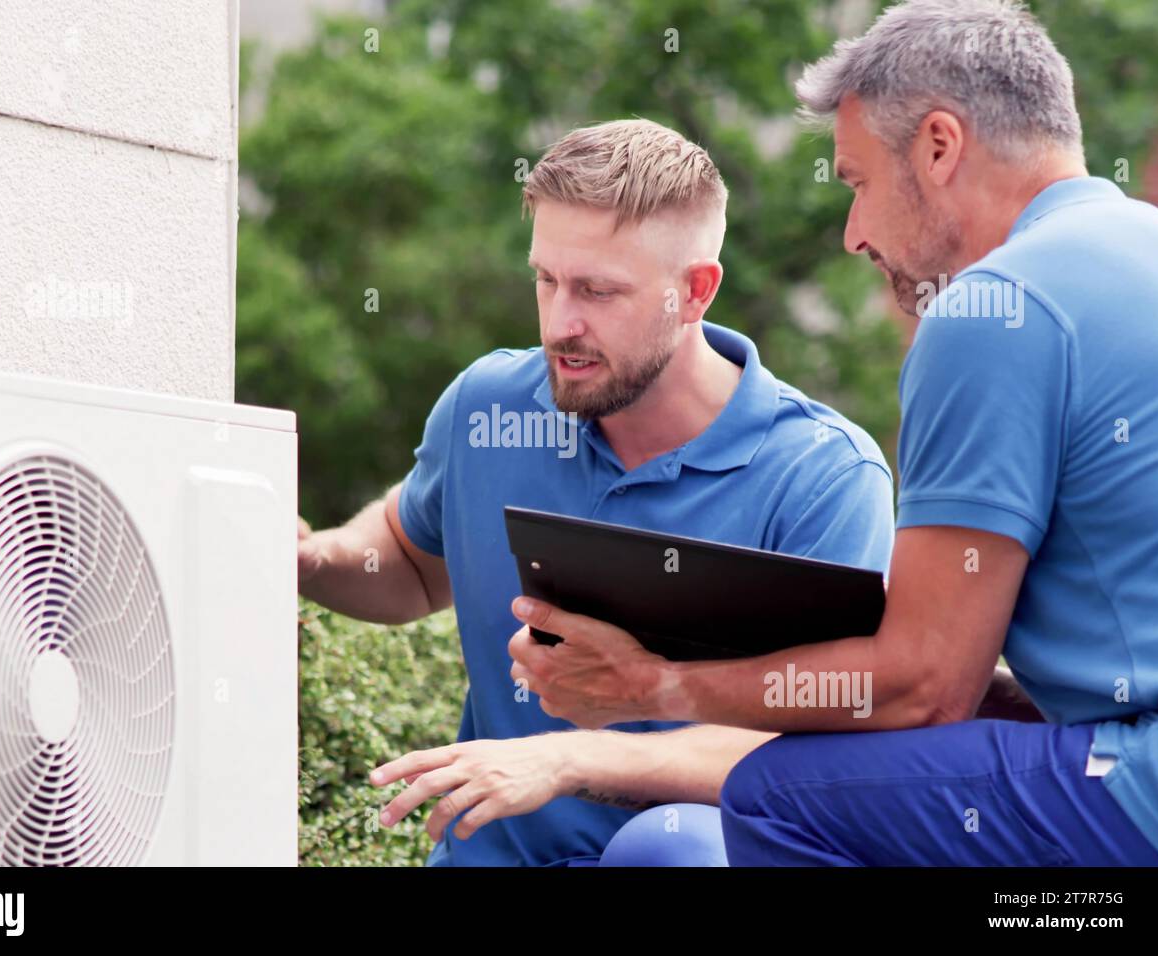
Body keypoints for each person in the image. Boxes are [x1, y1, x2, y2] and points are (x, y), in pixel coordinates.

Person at [507, 0, 1158, 866]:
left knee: (777, 795)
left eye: (856, 182)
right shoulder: (1150, 247)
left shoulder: (992, 309)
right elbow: (974, 687)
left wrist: (650, 685)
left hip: (1145, 782)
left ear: (939, 146)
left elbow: (927, 688)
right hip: (1132, 758)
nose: (855, 232)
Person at [298, 118, 895, 866]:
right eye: (545, 280)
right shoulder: (488, 408)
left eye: (598, 291)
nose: (560, 323)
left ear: (696, 291)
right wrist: (312, 559)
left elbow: (815, 744)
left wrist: (565, 760)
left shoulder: (824, 476)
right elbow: (411, 564)